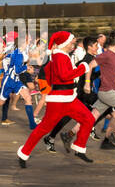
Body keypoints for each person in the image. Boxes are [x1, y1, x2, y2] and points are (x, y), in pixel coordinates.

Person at [16, 31, 95, 166]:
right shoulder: (59, 56)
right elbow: (64, 76)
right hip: (59, 100)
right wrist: (83, 68)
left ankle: (79, 148)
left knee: (89, 119)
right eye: (71, 42)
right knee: (43, 129)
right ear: (64, 43)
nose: (73, 45)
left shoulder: (61, 55)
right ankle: (24, 153)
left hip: (69, 97)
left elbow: (58, 74)